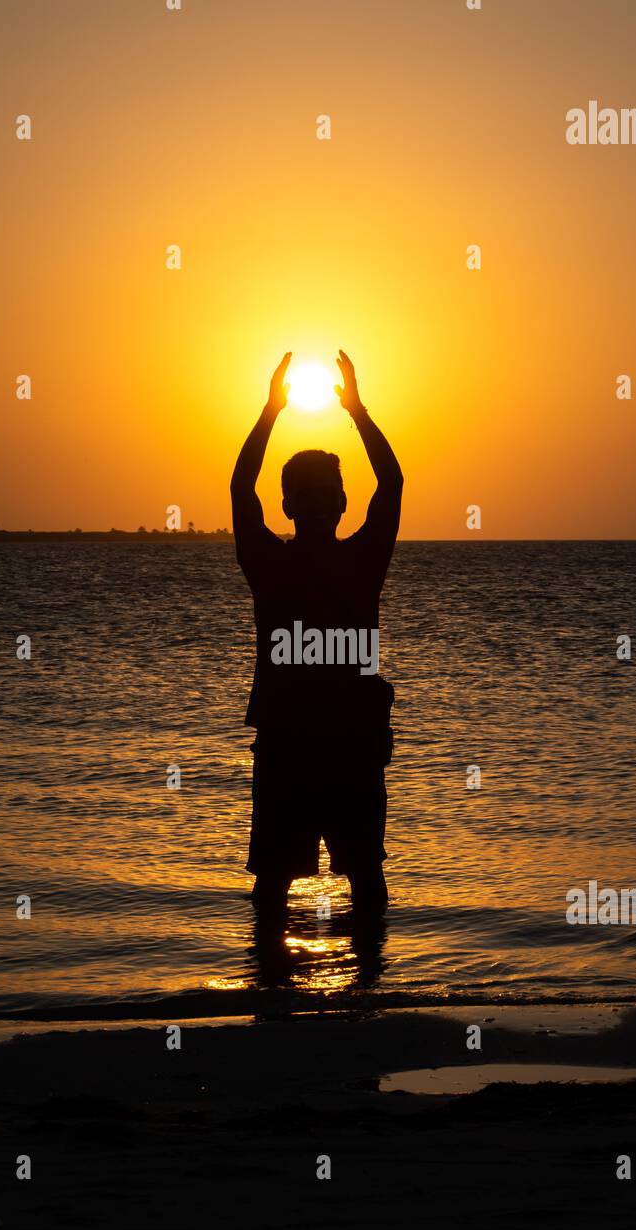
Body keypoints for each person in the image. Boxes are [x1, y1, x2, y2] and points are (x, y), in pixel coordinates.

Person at [230, 350, 403, 915]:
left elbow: (393, 481)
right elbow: (240, 485)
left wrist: (356, 410)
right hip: (287, 746)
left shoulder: (363, 560)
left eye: (328, 492)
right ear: (288, 504)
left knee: (367, 882)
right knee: (274, 886)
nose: (321, 501)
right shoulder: (268, 563)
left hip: (352, 745)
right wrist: (271, 411)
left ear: (343, 501)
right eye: (309, 493)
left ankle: (369, 1000)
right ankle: (270, 996)